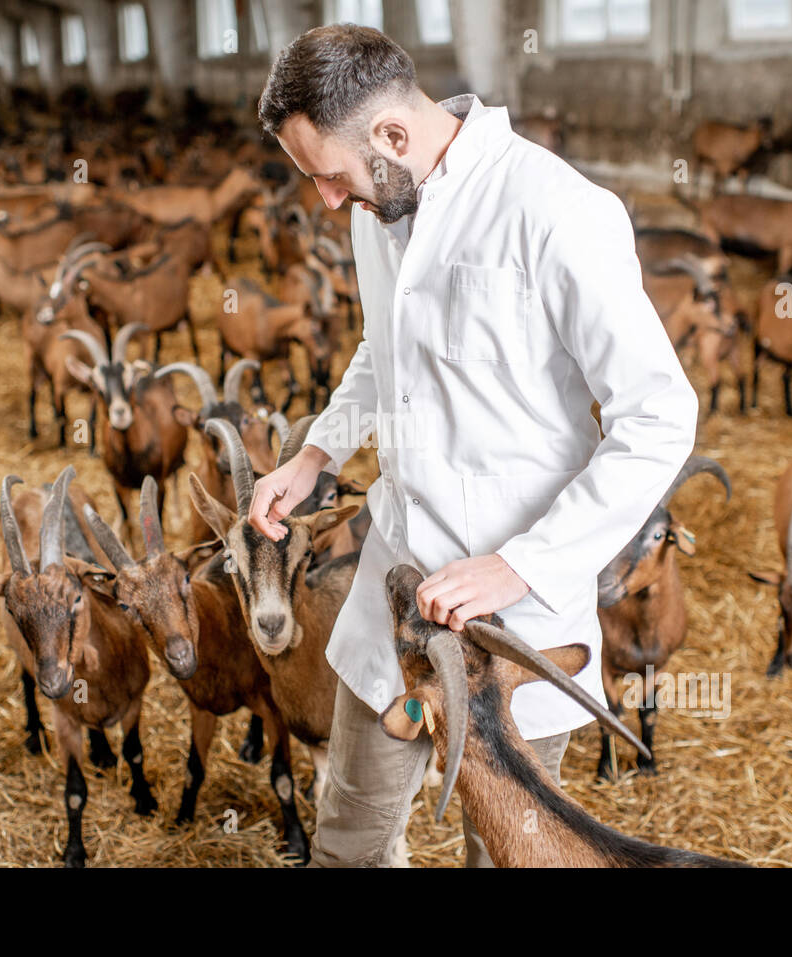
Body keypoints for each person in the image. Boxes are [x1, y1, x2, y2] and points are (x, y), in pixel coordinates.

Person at [250, 24, 698, 867]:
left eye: (328, 177)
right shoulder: (380, 205)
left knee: (505, 852)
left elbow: (661, 414)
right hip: (396, 594)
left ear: (390, 136)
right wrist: (318, 453)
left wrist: (522, 562)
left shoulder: (557, 211)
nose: (326, 203)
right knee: (349, 831)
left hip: (517, 624)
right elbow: (381, 352)